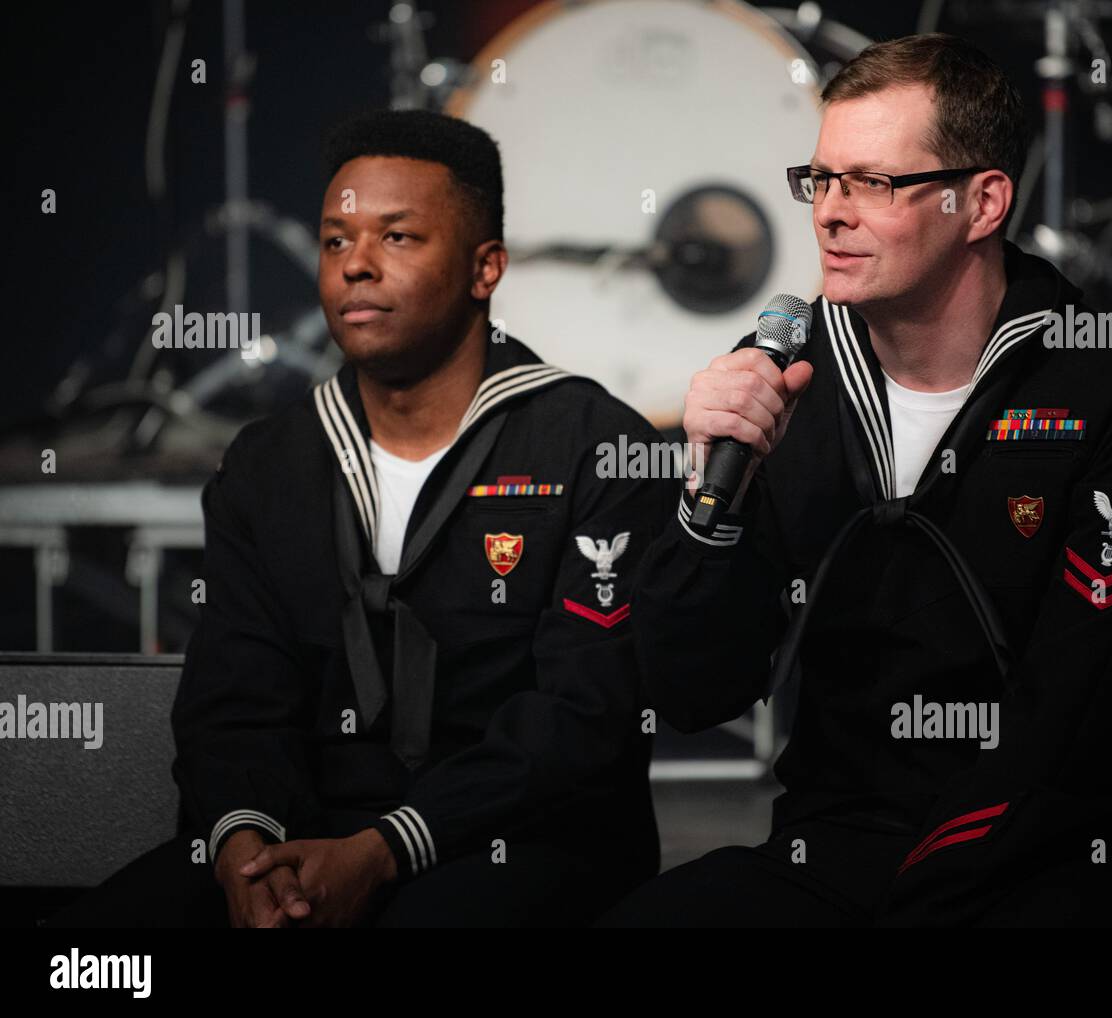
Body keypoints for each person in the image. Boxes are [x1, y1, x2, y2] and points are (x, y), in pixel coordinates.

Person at [599, 33, 1112, 927]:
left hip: (1063, 855)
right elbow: (694, 693)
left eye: (873, 183)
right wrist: (708, 502)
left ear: (981, 202)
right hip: (840, 844)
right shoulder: (782, 382)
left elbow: (1081, 722)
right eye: (820, 180)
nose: (830, 214)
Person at [45, 109, 673, 928]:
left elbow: (583, 721)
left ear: (486, 269)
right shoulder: (269, 463)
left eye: (398, 238)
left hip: (519, 844)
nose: (356, 268)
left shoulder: (595, 446)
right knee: (82, 962)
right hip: (302, 838)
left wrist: (383, 850)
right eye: (336, 240)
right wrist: (245, 850)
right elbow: (234, 698)